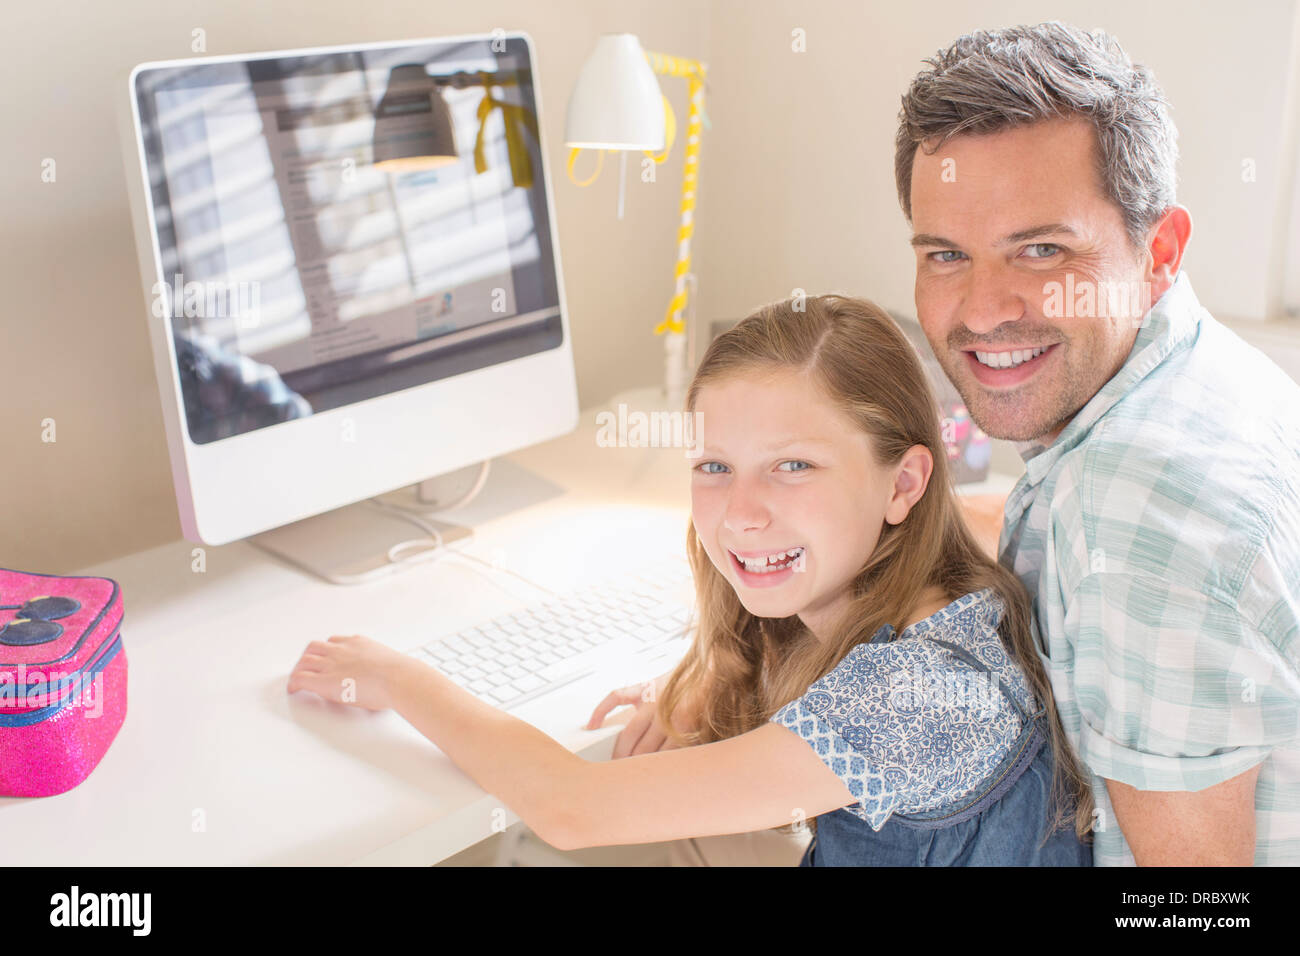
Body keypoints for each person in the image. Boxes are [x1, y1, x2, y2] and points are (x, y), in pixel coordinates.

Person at [287, 294, 1094, 865]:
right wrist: (717, 685)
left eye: (793, 466)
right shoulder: (946, 597)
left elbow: (572, 809)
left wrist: (398, 678)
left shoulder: (922, 697)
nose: (740, 515)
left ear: (904, 483)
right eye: (714, 465)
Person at [894, 21, 1300, 865]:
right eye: (947, 255)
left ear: (1159, 251)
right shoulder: (1201, 374)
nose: (984, 311)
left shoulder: (1135, 514)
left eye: (1042, 250)